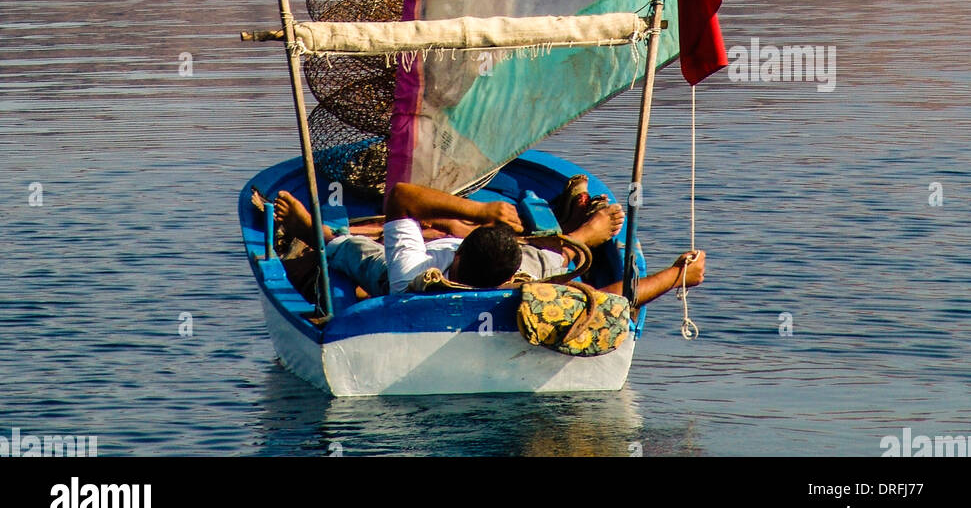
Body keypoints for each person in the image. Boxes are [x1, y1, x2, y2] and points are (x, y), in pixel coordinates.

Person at [261, 177, 704, 309]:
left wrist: (478, 213)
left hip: (400, 281)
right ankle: (580, 234)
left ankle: (321, 237)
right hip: (498, 271)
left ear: (457, 256)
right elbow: (611, 301)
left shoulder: (413, 278)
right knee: (566, 259)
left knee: (357, 254)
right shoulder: (525, 289)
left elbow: (398, 195)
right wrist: (676, 276)